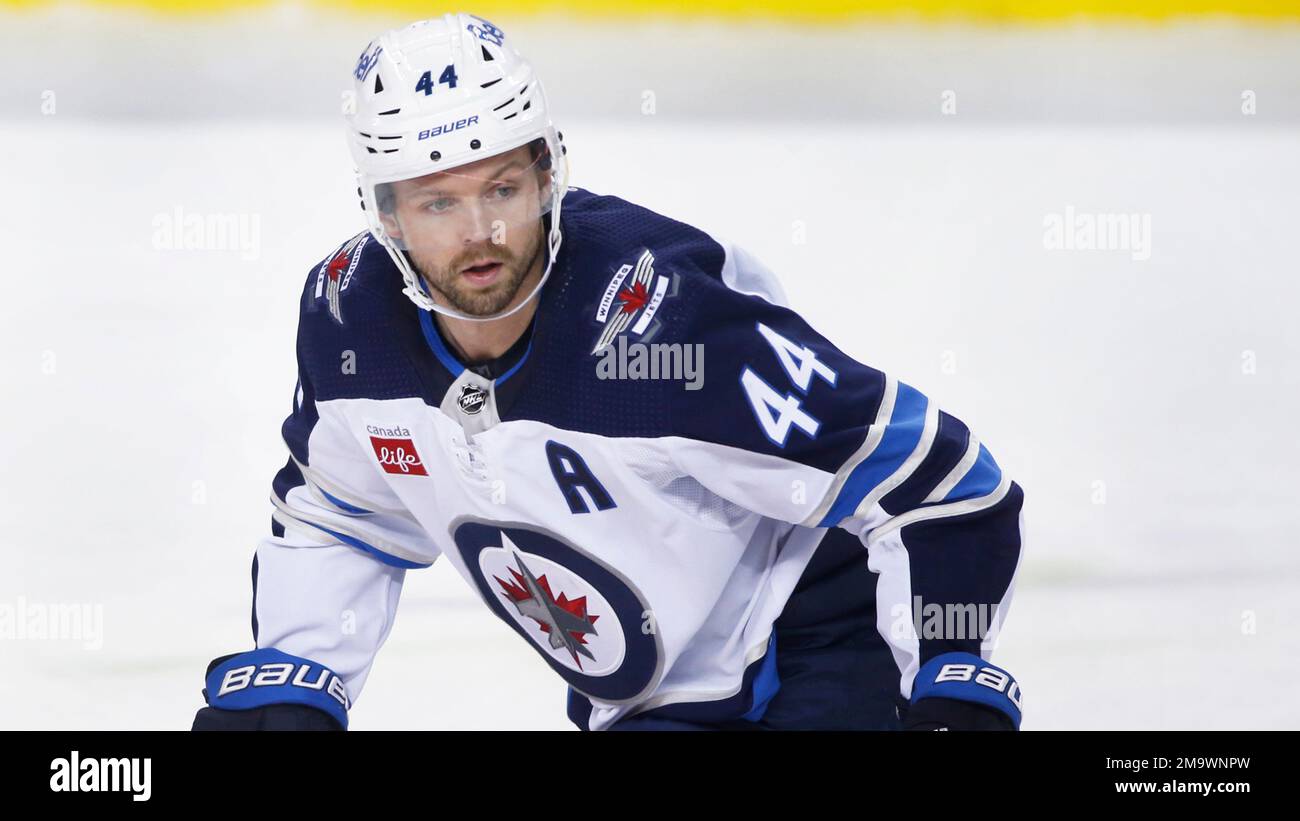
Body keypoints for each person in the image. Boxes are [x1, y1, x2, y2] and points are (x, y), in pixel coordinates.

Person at [191, 12, 1026, 732]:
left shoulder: (659, 322)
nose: (481, 232)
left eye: (503, 186)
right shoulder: (351, 322)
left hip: (827, 643)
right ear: (386, 216)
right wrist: (298, 676)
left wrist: (951, 675)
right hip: (655, 701)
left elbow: (940, 483)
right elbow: (344, 515)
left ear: (549, 173)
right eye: (438, 203)